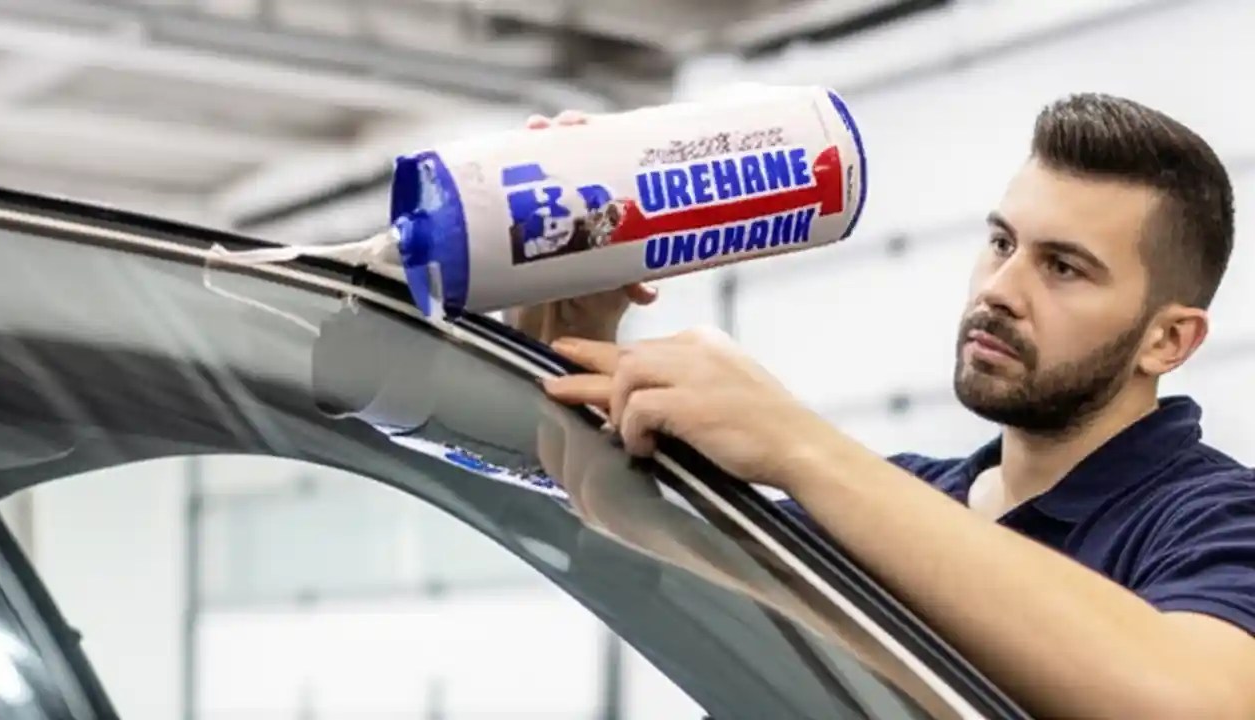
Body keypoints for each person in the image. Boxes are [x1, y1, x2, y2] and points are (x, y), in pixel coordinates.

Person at [516, 96, 1255, 718]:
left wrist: (799, 446)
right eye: (1002, 242)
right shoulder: (893, 498)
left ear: (1168, 339)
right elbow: (645, 556)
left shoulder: (1217, 520)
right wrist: (578, 333)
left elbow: (1198, 700)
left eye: (1062, 267)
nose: (1000, 288)